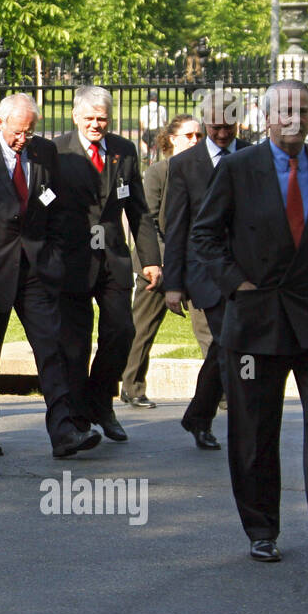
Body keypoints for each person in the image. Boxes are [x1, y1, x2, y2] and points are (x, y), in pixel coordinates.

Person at [191, 79, 308, 565]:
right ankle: (261, 528)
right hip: (255, 322)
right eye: (286, 109)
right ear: (266, 116)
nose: (296, 117)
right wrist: (237, 283)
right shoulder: (237, 168)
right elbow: (203, 237)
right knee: (254, 428)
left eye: (304, 109)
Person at [0, 94, 101, 459]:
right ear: (0, 122)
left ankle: (63, 432)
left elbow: (58, 208)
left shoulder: (44, 153)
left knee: (51, 348)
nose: (23, 140)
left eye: (30, 133)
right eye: (18, 133)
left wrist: (55, 256)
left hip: (36, 269)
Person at [54, 85, 161, 444]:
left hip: (113, 257)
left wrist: (150, 261)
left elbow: (138, 209)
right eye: (89, 118)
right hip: (72, 261)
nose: (96, 125)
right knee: (75, 342)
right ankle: (78, 414)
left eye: (102, 119)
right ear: (75, 116)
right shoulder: (56, 151)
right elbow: (43, 201)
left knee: (121, 332)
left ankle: (101, 403)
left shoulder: (123, 151)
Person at [163, 90, 251, 449]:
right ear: (204, 123)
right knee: (228, 341)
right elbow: (176, 225)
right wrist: (174, 283)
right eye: (215, 126)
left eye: (229, 126)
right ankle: (230, 420)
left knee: (227, 345)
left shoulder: (250, 155)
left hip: (245, 273)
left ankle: (199, 415)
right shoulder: (184, 164)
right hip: (205, 274)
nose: (222, 133)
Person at [120, 115, 205, 409]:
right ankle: (132, 387)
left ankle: (219, 390)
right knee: (142, 328)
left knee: (209, 330)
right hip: (157, 263)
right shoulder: (158, 172)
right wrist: (160, 262)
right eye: (189, 135)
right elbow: (148, 221)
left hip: (197, 264)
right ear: (171, 139)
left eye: (199, 136)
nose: (195, 140)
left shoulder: (207, 172)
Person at [138, 90, 168, 160]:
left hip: (149, 130)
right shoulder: (161, 108)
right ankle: (160, 156)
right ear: (156, 98)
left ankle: (146, 153)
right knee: (159, 142)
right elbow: (165, 122)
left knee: (142, 141)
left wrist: (142, 131)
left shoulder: (144, 108)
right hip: (160, 129)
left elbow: (141, 123)